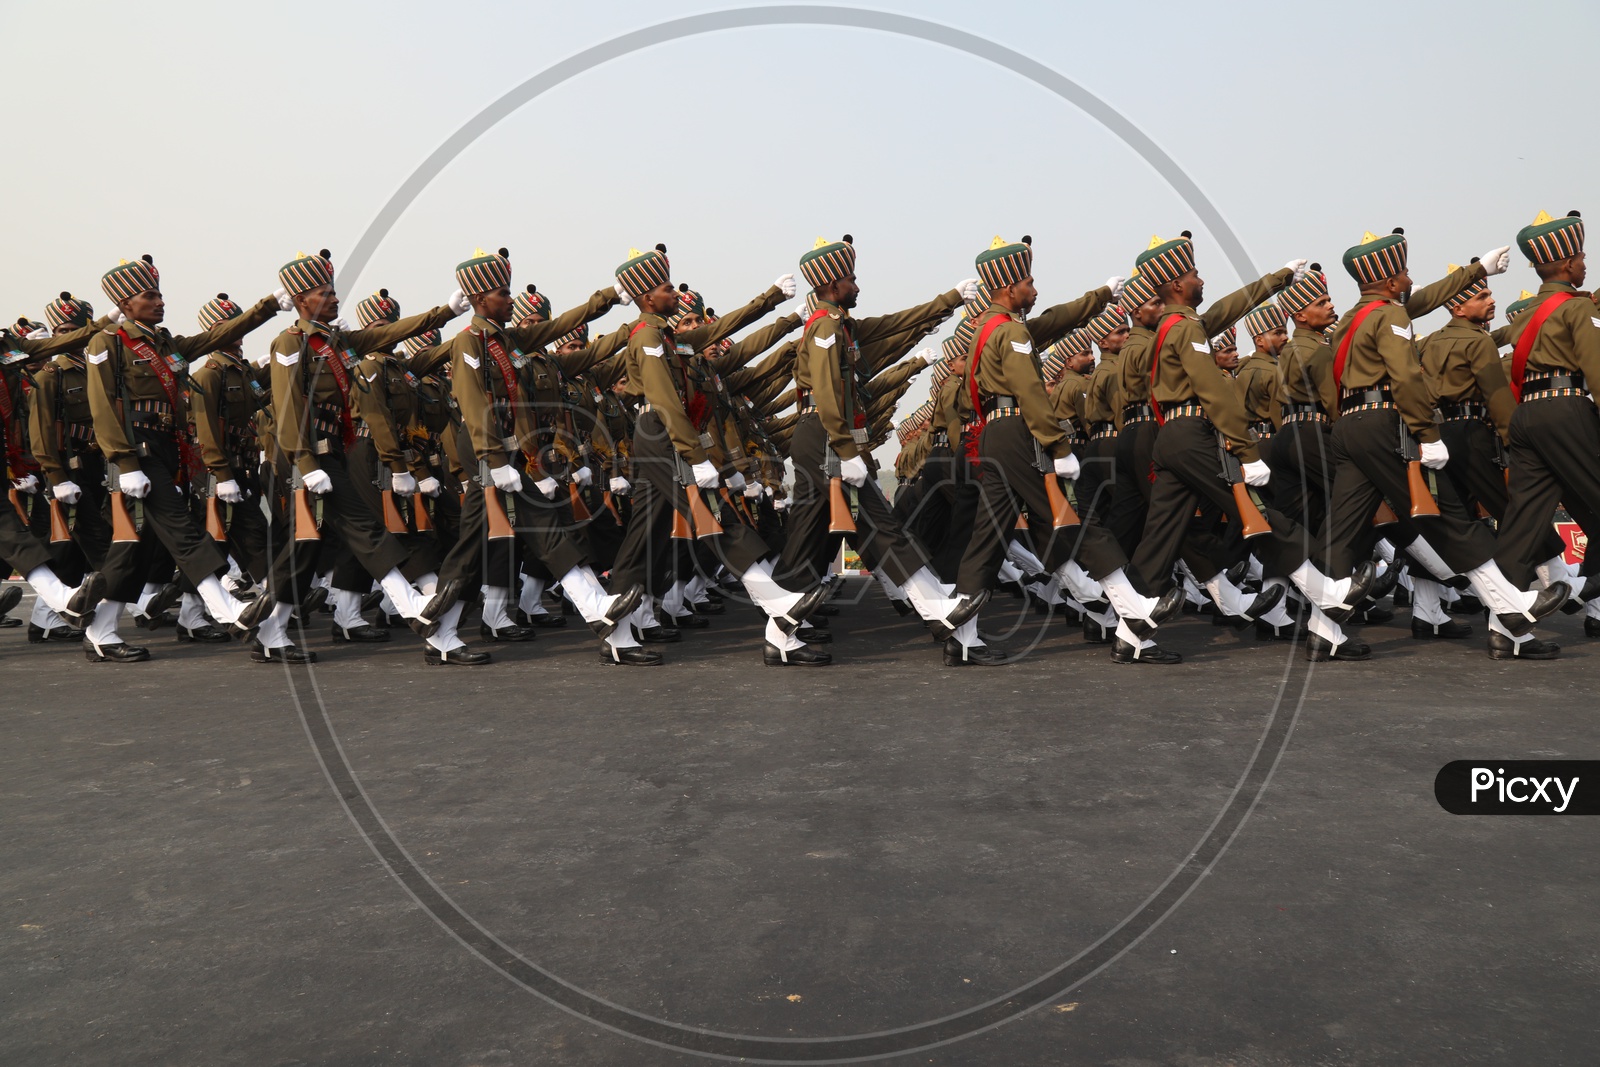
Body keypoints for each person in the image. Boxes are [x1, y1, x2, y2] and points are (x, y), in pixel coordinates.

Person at [1316, 228, 1566, 660]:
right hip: (1382, 423)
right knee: (1446, 514)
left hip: (1348, 427)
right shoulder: (1389, 316)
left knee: (1344, 528)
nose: (1410, 279)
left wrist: (1477, 269)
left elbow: (1328, 384)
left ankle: (1324, 632)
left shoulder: (1349, 325)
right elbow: (1406, 376)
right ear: (1392, 281)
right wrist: (1426, 434)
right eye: (1405, 272)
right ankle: (1510, 607)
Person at [607, 244, 830, 666]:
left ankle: (615, 633)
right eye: (666, 287)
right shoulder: (648, 337)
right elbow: (666, 403)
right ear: (646, 297)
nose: (674, 294)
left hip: (658, 436)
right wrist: (695, 456)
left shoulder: (669, 338)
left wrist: (771, 302)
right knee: (716, 516)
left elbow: (726, 328)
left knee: (642, 539)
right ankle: (778, 602)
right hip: (661, 436)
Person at [262, 250, 467, 662]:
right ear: (302, 299)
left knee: (307, 545)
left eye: (334, 290)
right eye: (324, 291)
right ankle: (412, 605)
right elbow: (287, 408)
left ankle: (269, 632)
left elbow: (391, 333)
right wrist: (306, 463)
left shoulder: (337, 341)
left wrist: (445, 311)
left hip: (332, 453)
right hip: (308, 456)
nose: (335, 298)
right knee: (362, 528)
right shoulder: (291, 341)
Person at [82, 256, 284, 661]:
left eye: (159, 294)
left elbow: (224, 331)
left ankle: (100, 633)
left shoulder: (167, 345)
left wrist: (269, 305)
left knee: (133, 548)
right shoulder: (108, 343)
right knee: (182, 528)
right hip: (135, 451)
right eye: (149, 295)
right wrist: (124, 462)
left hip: (165, 450)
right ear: (125, 303)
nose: (159, 301)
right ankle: (227, 609)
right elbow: (102, 407)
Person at [1491, 210, 1600, 650]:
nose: (1584, 262)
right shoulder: (1577, 308)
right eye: (1579, 256)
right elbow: (1596, 369)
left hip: (1528, 415)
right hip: (1566, 409)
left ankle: (1505, 629)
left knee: (1523, 525)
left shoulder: (1528, 312)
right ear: (1564, 265)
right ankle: (1575, 592)